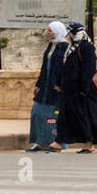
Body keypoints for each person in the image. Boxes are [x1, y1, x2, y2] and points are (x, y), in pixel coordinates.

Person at [54, 22, 97, 153]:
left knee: (84, 118)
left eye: (69, 33)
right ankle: (58, 142)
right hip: (70, 92)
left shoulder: (86, 47)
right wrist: (61, 84)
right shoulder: (71, 48)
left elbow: (88, 70)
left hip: (82, 92)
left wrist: (84, 90)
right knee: (65, 117)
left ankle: (89, 144)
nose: (67, 36)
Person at [28, 21, 68, 152]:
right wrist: (38, 84)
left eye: (50, 30)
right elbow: (45, 67)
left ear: (57, 31)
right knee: (37, 112)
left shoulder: (64, 47)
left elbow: (67, 68)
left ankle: (55, 143)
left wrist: (62, 85)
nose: (48, 33)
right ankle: (39, 142)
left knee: (52, 117)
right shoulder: (52, 45)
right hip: (45, 88)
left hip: (55, 89)